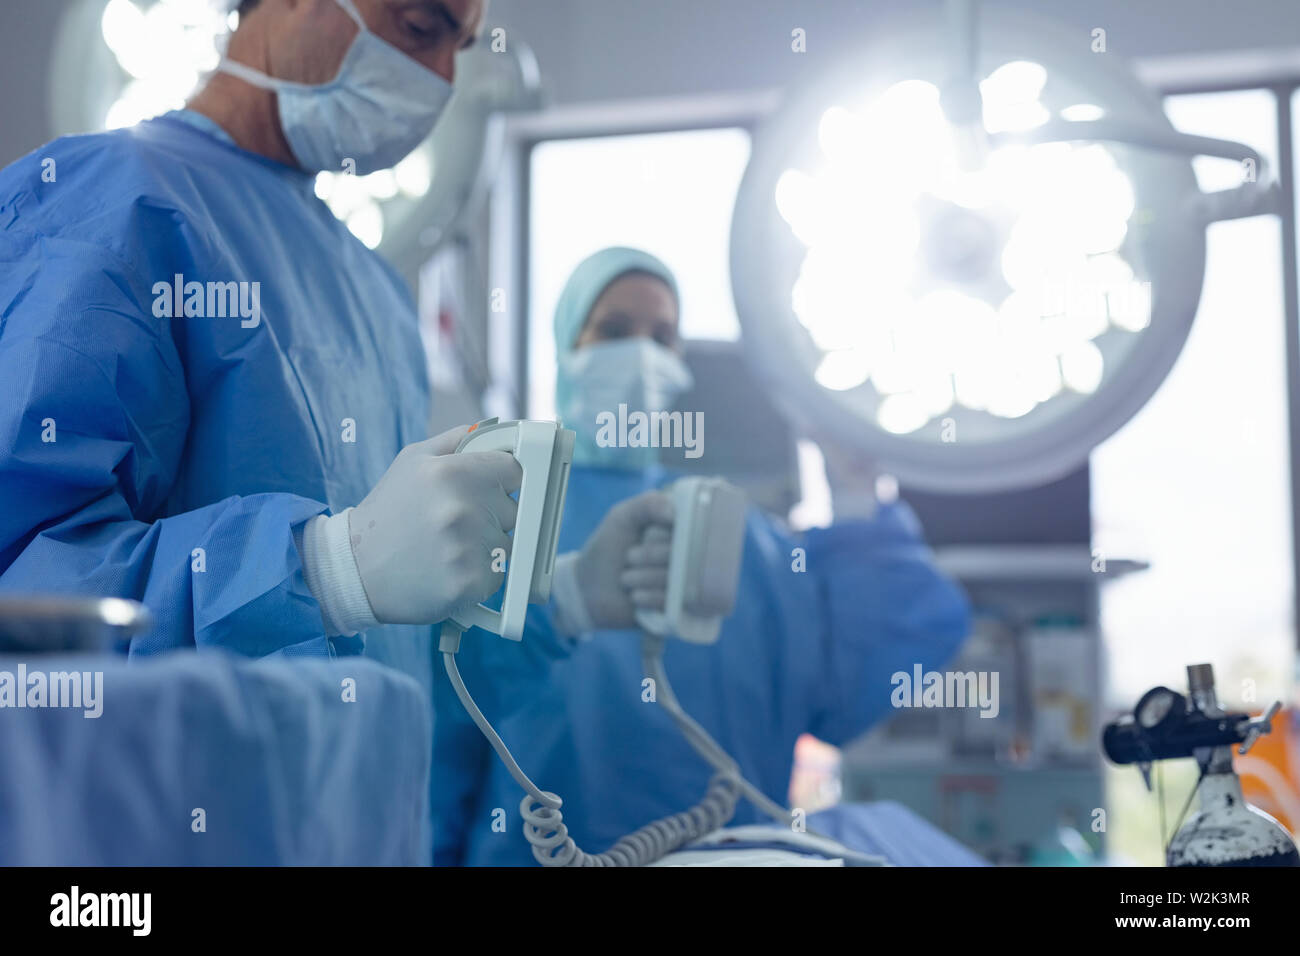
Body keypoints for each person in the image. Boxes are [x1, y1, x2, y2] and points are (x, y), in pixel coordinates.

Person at [0, 0, 525, 700]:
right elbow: (27, 597)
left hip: (365, 801)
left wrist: (557, 604)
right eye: (420, 27)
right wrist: (326, 573)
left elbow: (400, 653)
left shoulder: (376, 292)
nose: (441, 78)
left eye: (459, 46)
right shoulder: (106, 207)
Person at [431, 247, 972, 865]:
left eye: (662, 336)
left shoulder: (744, 538)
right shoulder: (506, 509)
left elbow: (860, 677)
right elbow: (436, 723)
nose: (642, 354)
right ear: (566, 349)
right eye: (612, 331)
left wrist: (855, 497)